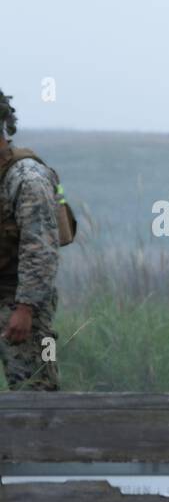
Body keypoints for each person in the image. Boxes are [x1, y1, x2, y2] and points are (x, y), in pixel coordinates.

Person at [0, 88, 62, 391]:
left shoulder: (27, 177)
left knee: (35, 396)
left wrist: (25, 309)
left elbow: (41, 249)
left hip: (17, 303)